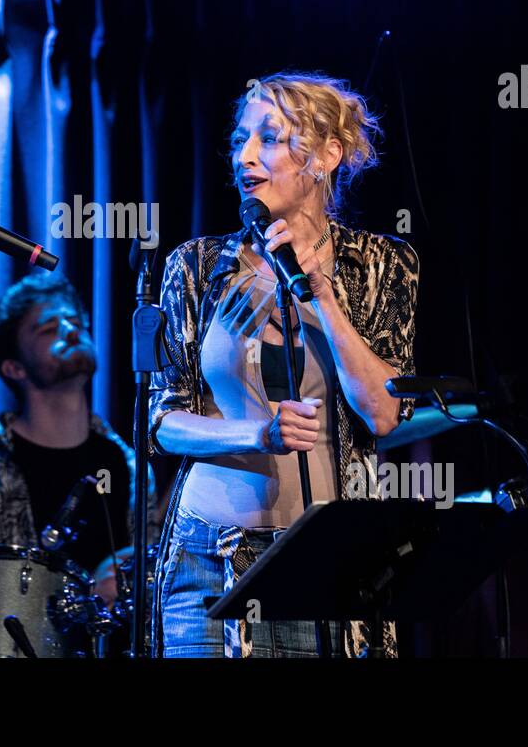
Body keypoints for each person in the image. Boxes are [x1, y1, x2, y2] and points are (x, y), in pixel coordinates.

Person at [149, 72, 420, 658]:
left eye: (269, 138)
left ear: (327, 155)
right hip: (205, 554)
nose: (245, 156)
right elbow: (163, 423)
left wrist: (322, 297)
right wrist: (259, 433)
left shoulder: (379, 265)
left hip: (327, 558)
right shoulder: (196, 266)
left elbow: (384, 415)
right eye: (240, 139)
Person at [0, 273, 160, 604]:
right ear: (14, 368)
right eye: (49, 328)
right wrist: (86, 598)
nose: (71, 330)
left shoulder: (130, 465)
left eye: (75, 321)